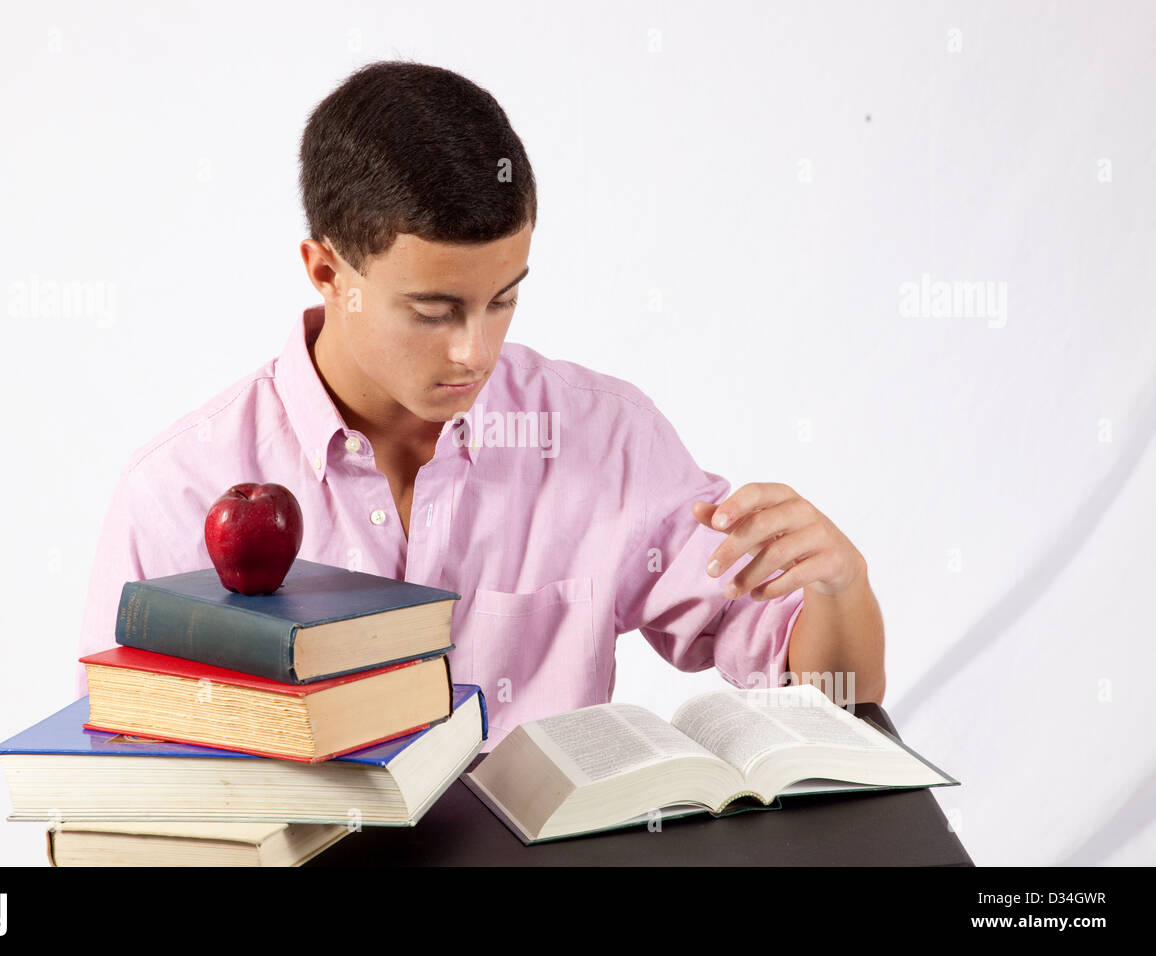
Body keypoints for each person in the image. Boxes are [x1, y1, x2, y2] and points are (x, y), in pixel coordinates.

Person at [76, 60, 885, 749]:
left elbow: (835, 712)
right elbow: (118, 791)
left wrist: (841, 587)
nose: (474, 352)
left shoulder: (605, 440)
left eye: (502, 300)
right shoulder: (179, 490)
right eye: (433, 311)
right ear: (326, 272)